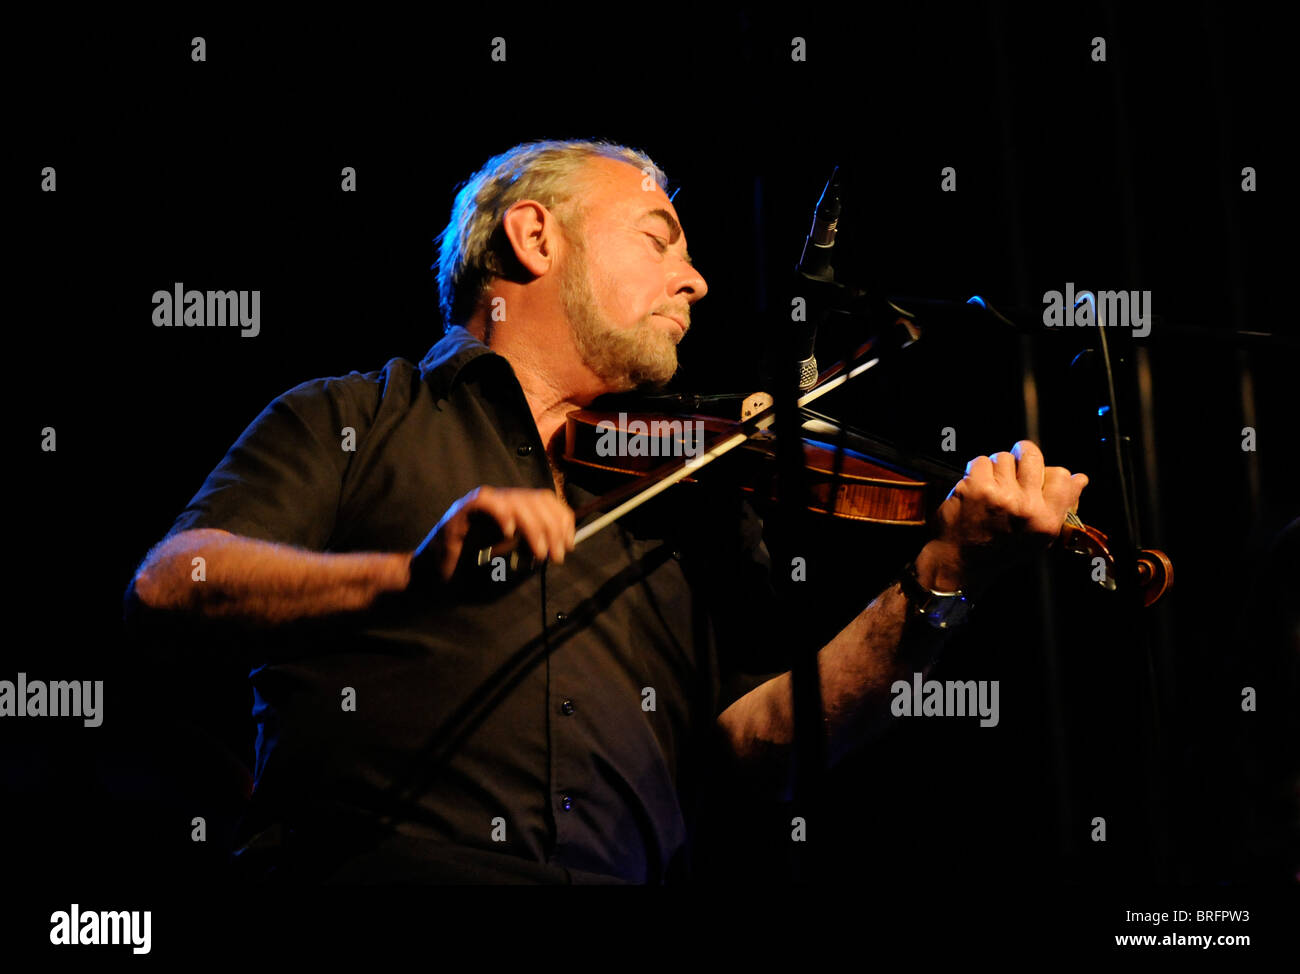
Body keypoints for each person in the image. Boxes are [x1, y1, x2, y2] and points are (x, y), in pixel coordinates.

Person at [126, 139, 1088, 884]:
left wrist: (945, 577)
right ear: (535, 237)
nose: (699, 281)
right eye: (659, 238)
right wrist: (408, 579)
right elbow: (172, 585)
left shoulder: (697, 488)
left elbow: (759, 745)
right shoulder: (353, 416)